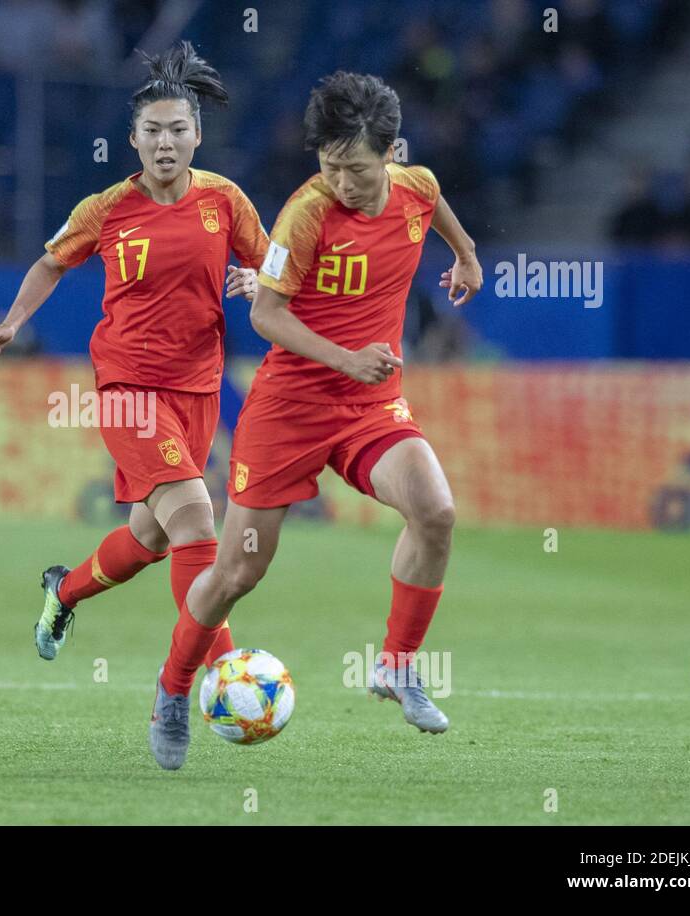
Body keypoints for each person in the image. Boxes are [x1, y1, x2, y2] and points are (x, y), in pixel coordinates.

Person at [150, 71, 483, 769]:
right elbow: (265, 314)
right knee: (241, 572)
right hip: (289, 408)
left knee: (437, 511)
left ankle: (395, 665)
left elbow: (435, 203)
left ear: (389, 155)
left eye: (355, 168)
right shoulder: (304, 214)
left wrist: (467, 255)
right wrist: (345, 357)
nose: (340, 181)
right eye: (328, 165)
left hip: (367, 404)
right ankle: (174, 687)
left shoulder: (415, 185)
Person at [0, 43, 269, 696]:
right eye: (153, 131)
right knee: (195, 517)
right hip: (126, 391)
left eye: (178, 130)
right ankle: (220, 677)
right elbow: (51, 262)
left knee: (151, 538)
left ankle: (65, 589)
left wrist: (258, 280)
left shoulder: (225, 202)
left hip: (199, 390)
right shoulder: (105, 209)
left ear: (198, 135)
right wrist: (16, 322)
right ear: (133, 140)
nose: (166, 142)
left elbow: (274, 267)